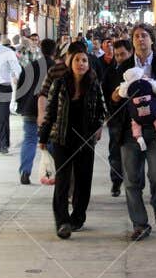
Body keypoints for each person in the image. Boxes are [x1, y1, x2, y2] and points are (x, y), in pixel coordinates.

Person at [110, 25, 156, 241]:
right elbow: (112, 95)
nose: (140, 39)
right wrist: (116, 95)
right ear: (132, 41)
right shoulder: (123, 67)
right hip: (130, 130)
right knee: (132, 180)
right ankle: (140, 224)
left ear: (152, 40)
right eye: (136, 36)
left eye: (144, 36)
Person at [41, 46, 108, 238]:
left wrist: (96, 127)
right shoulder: (60, 83)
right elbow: (50, 111)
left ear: (88, 64)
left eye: (84, 60)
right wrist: (43, 137)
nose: (81, 63)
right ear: (70, 63)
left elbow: (102, 110)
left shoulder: (93, 84)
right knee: (63, 181)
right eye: (77, 60)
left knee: (83, 180)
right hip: (62, 139)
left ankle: (77, 218)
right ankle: (62, 222)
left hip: (85, 140)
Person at [16, 37, 53, 185]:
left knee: (29, 140)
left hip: (29, 109)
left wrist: (21, 105)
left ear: (41, 49)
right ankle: (53, 171)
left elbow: (20, 87)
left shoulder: (30, 66)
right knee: (50, 141)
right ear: (54, 51)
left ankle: (25, 172)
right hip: (48, 111)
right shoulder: (56, 68)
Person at [100, 38, 129, 196]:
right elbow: (104, 94)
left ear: (130, 53)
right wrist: (108, 112)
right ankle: (116, 181)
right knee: (115, 153)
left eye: (122, 54)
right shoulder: (110, 72)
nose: (119, 58)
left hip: (134, 119)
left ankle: (133, 184)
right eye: (117, 55)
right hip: (116, 118)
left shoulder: (137, 71)